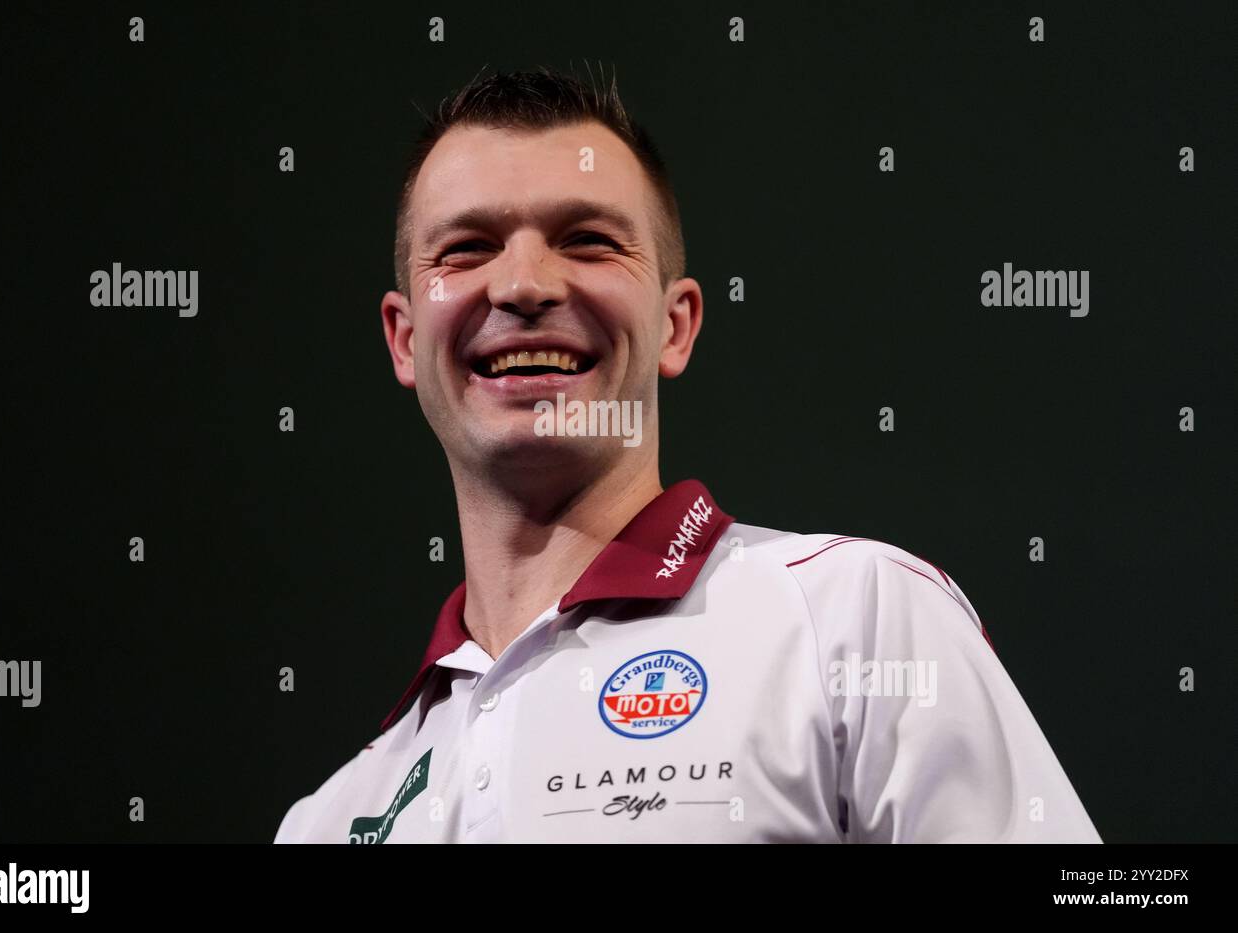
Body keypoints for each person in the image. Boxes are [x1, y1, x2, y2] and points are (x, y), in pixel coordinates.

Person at [274, 66, 1100, 843]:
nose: (524, 284)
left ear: (676, 324)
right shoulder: (335, 815)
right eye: (467, 248)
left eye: (588, 239)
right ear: (405, 337)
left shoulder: (860, 623)